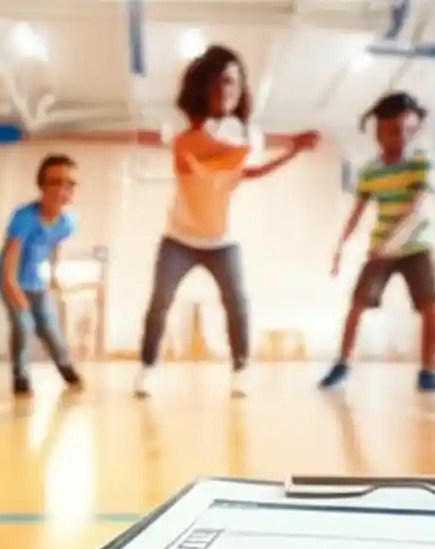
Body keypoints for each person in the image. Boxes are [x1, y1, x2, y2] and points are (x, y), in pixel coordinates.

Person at [133, 44, 319, 398]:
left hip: (222, 241)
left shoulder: (245, 135)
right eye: (217, 83)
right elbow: (202, 151)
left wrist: (293, 148)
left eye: (232, 82)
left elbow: (249, 169)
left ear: (241, 89)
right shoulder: (184, 133)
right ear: (203, 88)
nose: (224, 90)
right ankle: (148, 366)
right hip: (179, 237)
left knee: (237, 301)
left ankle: (241, 369)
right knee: (160, 300)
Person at [318, 92, 435, 392]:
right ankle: (342, 363)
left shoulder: (420, 163)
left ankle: (428, 370)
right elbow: (356, 212)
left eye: (405, 130)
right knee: (357, 304)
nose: (399, 137)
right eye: (392, 130)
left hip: (415, 247)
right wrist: (341, 247)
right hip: (381, 249)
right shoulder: (370, 172)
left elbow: (416, 209)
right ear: (378, 132)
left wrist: (391, 243)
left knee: (431, 305)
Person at [0, 153, 83, 396]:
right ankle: (20, 375)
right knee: (23, 325)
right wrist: (15, 294)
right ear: (42, 186)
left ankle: (66, 368)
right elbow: (9, 261)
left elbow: (53, 247)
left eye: (69, 183)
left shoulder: (67, 223)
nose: (62, 190)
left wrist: (54, 277)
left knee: (49, 326)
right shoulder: (24, 218)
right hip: (11, 278)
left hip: (36, 280)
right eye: (55, 182)